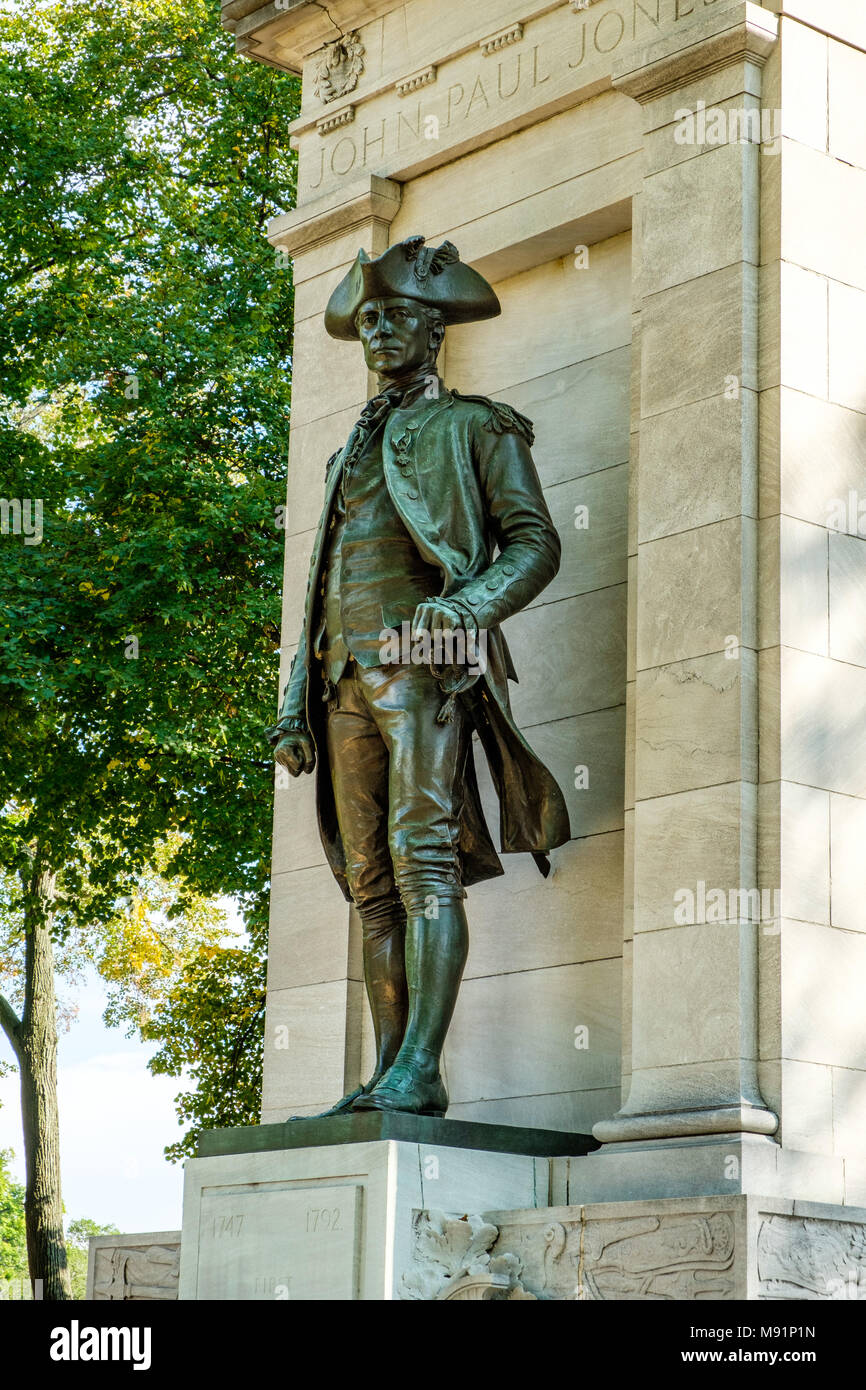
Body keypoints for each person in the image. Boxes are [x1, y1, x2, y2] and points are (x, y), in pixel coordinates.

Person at [266, 234, 569, 1117]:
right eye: (368, 319)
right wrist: (295, 704)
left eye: (396, 315)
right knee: (369, 882)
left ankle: (422, 1070)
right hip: (342, 681)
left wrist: (468, 609)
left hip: (429, 667)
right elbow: (320, 583)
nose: (379, 331)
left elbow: (536, 543)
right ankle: (389, 1073)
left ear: (434, 328)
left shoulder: (477, 426)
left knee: (423, 859)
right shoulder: (341, 453)